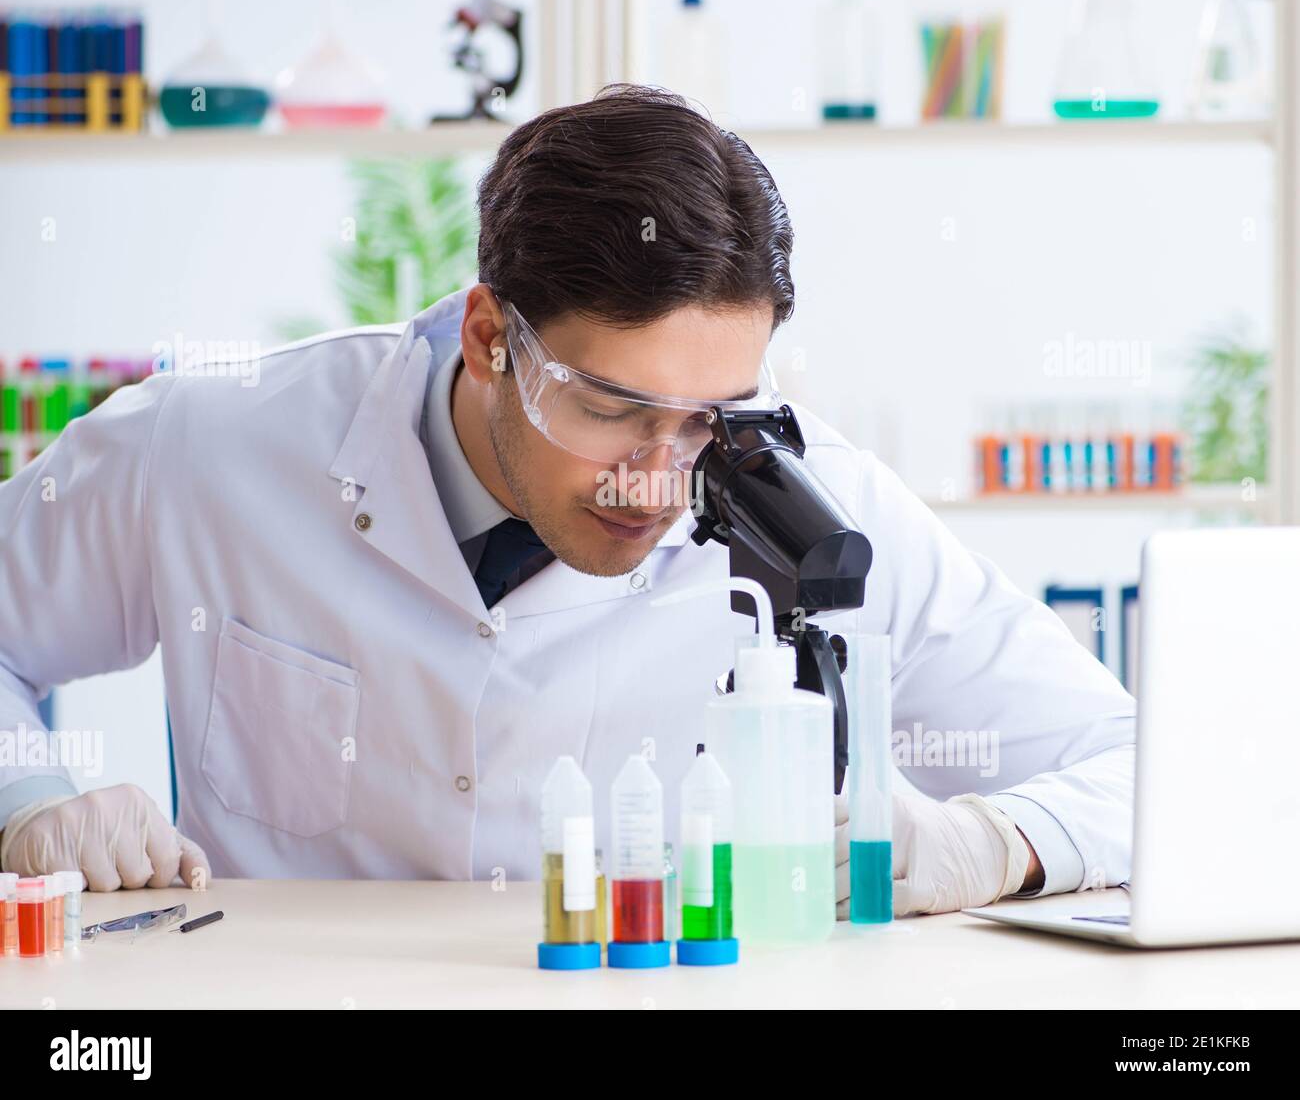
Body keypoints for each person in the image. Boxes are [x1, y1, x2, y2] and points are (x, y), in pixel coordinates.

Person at [0, 86, 1133, 916]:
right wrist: (28, 795)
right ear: (492, 336)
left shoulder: (817, 504)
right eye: (611, 408)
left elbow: (1139, 762)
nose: (661, 471)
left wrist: (998, 841)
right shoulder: (210, 447)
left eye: (713, 414)